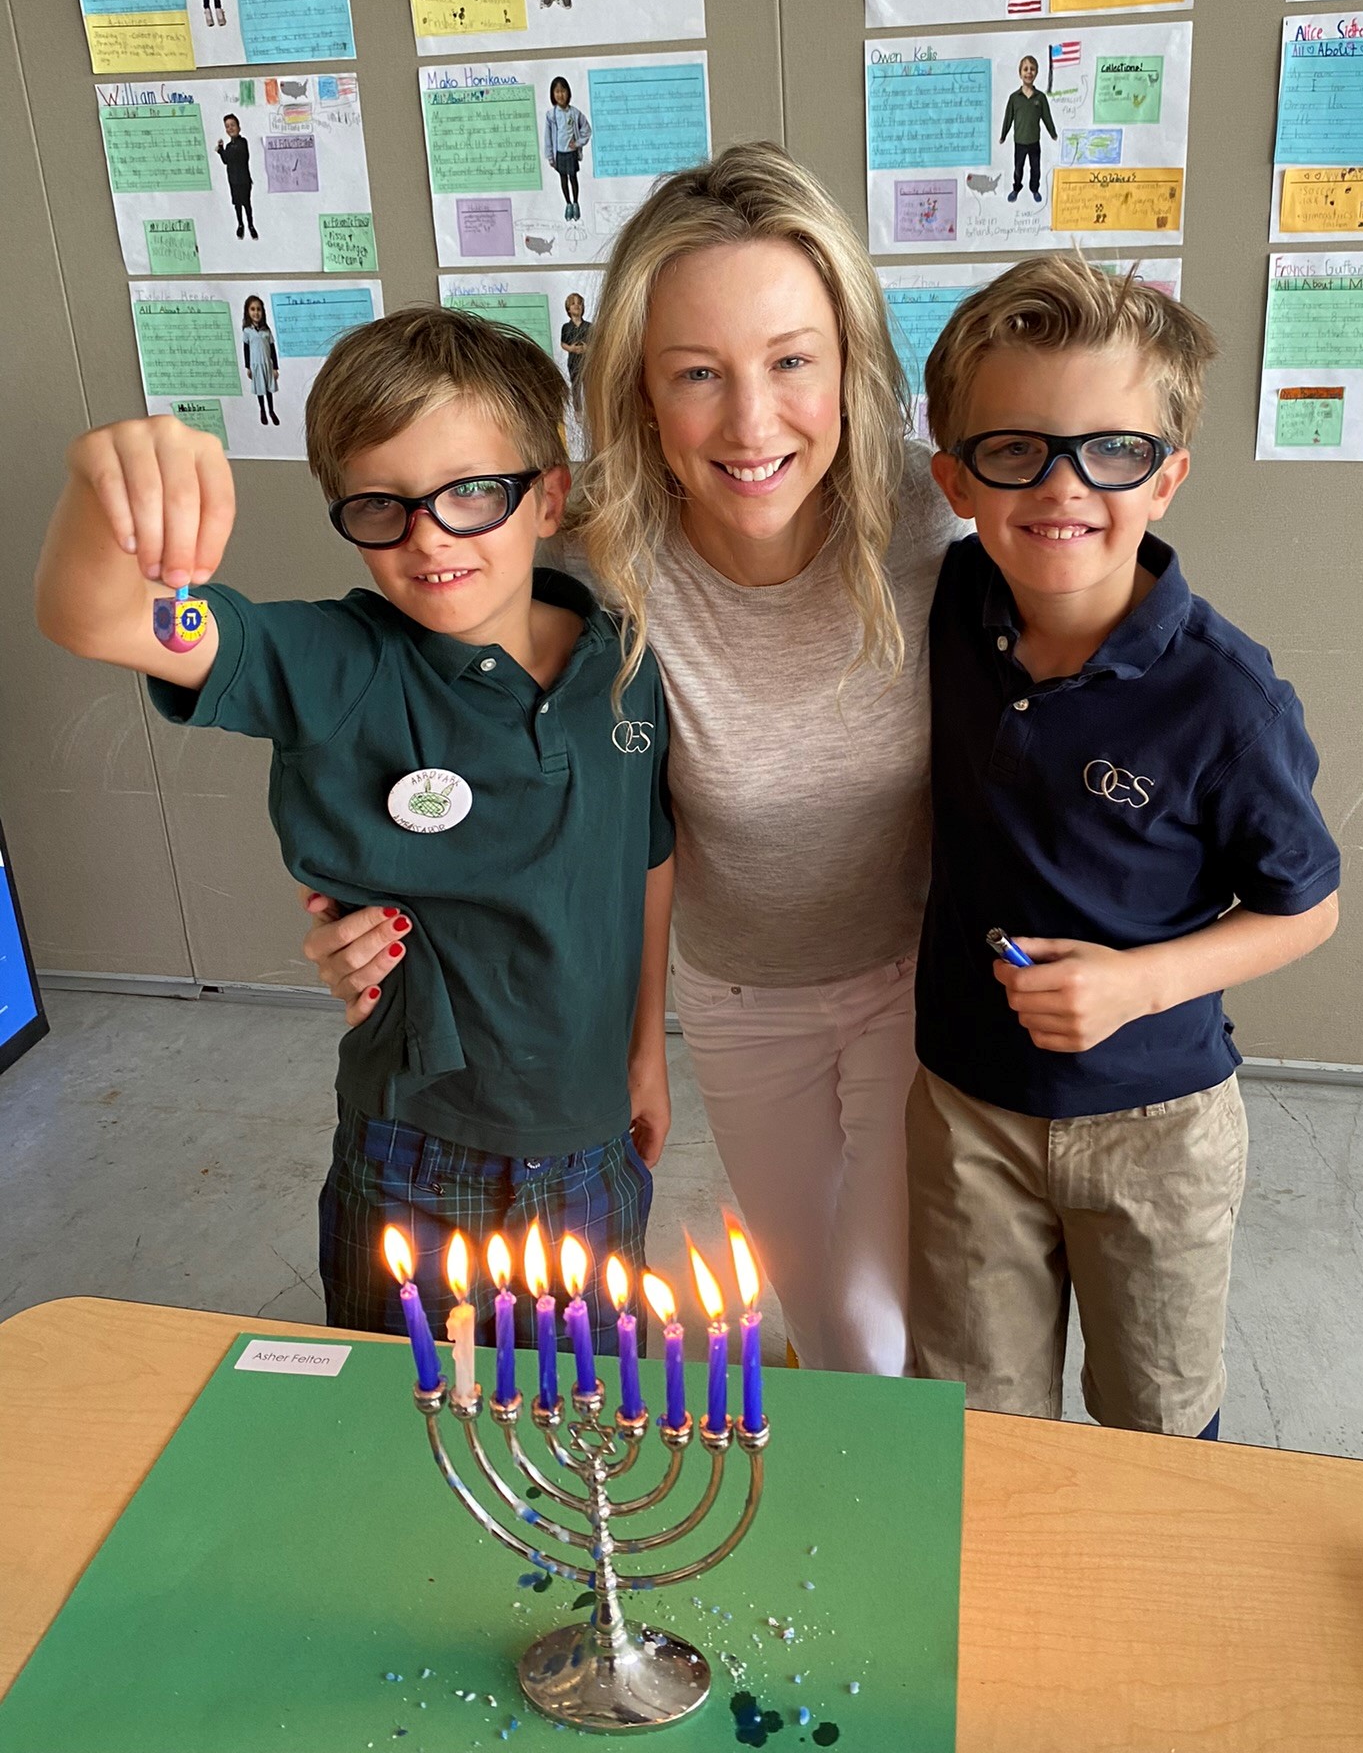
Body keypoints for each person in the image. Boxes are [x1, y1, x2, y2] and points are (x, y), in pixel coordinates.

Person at [299, 144, 960, 1378]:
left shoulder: (938, 527)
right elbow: (434, 717)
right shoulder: (591, 547)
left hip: (910, 979)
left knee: (881, 1331)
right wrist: (365, 909)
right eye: (698, 373)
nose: (752, 422)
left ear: (851, 362)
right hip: (737, 995)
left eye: (791, 362)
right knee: (814, 1318)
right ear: (639, 392)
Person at [34, 309, 675, 1348]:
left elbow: (646, 858)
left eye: (473, 491)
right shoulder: (335, 662)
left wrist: (648, 1052)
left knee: (586, 1428)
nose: (429, 534)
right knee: (402, 1424)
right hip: (416, 1150)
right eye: (382, 504)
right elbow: (103, 616)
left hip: (595, 1145)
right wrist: (107, 484)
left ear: (549, 494)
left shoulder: (625, 660)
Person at [907, 258, 1340, 1436]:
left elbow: (1308, 903)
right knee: (974, 1415)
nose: (1064, 486)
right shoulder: (946, 604)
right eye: (1016, 449)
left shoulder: (1226, 697)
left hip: (1161, 1122)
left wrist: (1142, 981)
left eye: (1113, 449)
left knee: (1158, 1418)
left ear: (1168, 478)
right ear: (954, 475)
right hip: (967, 1109)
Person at [1000, 55, 1057, 205]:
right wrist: (1003, 135)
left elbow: (1047, 117)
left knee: (1035, 169)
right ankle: (1016, 188)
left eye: (1032, 69)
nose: (1029, 72)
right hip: (1019, 142)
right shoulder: (1014, 98)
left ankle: (1034, 189)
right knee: (1018, 168)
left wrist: (1053, 133)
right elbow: (1008, 118)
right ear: (1020, 73)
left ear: (1036, 73)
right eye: (1025, 69)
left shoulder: (1041, 97)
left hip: (1034, 142)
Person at [545, 77, 591, 223]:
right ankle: (568, 204)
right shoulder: (551, 115)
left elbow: (587, 130)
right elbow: (548, 137)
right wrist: (550, 156)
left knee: (573, 178)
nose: (560, 95)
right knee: (563, 179)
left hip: (571, 153)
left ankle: (576, 203)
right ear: (553, 94)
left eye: (563, 91)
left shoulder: (575, 113)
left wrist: (577, 143)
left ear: (568, 93)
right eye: (557, 91)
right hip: (559, 154)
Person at [241, 295, 280, 426]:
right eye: (252, 309)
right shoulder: (247, 331)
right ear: (248, 311)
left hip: (267, 364)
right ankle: (262, 410)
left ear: (262, 312)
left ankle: (271, 411)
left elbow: (272, 349)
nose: (256, 312)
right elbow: (246, 349)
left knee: (268, 389)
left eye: (258, 309)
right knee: (260, 389)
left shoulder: (266, 331)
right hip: (256, 365)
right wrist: (248, 367)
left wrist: (275, 368)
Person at [217, 114, 257, 240]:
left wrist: (224, 152)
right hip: (233, 180)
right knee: (237, 204)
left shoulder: (242, 142)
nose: (230, 128)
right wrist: (221, 150)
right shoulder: (229, 146)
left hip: (244, 180)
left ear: (239, 127)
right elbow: (226, 161)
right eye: (227, 126)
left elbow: (237, 156)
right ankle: (240, 224)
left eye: (232, 125)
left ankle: (250, 225)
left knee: (246, 203)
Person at [561, 291, 593, 391]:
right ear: (568, 309)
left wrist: (587, 349)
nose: (577, 306)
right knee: (576, 388)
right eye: (573, 303)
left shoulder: (589, 326)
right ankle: (577, 407)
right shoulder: (566, 327)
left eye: (579, 303)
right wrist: (571, 348)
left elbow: (595, 342)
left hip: (587, 362)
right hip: (573, 363)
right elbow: (563, 343)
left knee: (589, 387)